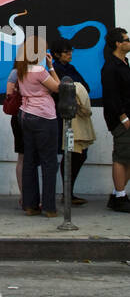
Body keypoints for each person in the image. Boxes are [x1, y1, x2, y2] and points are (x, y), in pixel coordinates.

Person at [6, 43, 60, 216]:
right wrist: (51, 68)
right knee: (49, 162)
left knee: (29, 160)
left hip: (25, 114)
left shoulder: (20, 71)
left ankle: (30, 204)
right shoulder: (39, 70)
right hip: (44, 116)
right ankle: (49, 207)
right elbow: (58, 87)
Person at [51, 37, 94, 205]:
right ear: (56, 54)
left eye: (70, 51)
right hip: (62, 117)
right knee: (70, 153)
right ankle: (66, 192)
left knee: (79, 153)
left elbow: (85, 87)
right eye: (66, 52)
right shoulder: (54, 69)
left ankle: (68, 191)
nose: (70, 54)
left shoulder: (70, 68)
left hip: (76, 116)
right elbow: (60, 90)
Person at [101, 27, 130, 213]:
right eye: (126, 39)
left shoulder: (124, 62)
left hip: (127, 116)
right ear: (118, 43)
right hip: (121, 120)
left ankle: (116, 194)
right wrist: (124, 118)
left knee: (128, 156)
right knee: (121, 157)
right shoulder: (111, 67)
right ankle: (119, 197)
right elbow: (112, 96)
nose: (129, 42)